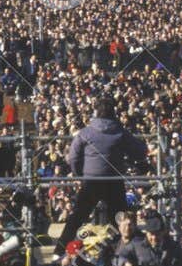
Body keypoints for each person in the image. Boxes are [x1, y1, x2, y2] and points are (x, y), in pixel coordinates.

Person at [59, 96, 148, 249]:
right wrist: (129, 160)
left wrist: (79, 174)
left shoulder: (85, 132)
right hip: (113, 181)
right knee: (119, 219)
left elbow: (73, 157)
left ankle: (59, 249)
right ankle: (124, 250)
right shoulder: (120, 132)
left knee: (77, 217)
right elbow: (140, 151)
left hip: (91, 181)